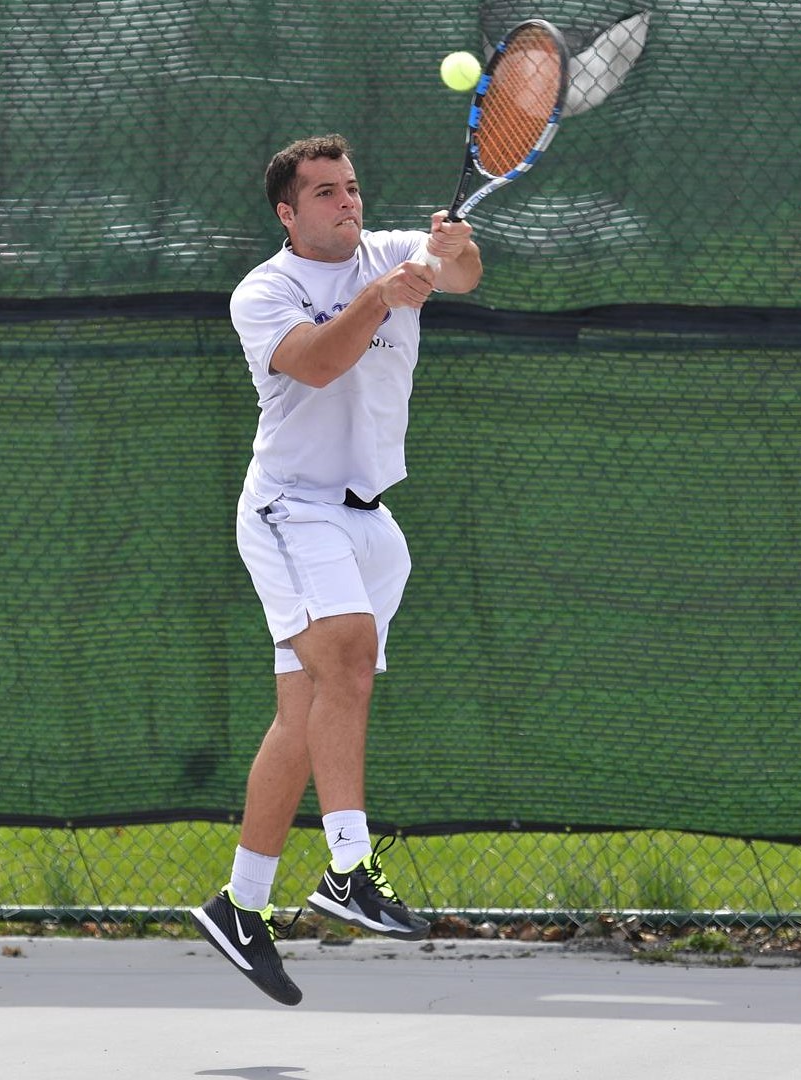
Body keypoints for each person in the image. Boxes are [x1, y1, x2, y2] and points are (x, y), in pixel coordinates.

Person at [190, 134, 482, 1006]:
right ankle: (349, 868)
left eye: (351, 187)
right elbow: (316, 363)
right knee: (347, 655)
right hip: (289, 509)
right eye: (324, 192)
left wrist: (455, 248)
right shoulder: (265, 290)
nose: (346, 203)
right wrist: (378, 298)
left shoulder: (393, 252)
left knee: (303, 714)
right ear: (288, 212)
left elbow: (461, 274)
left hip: (369, 521)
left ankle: (239, 906)